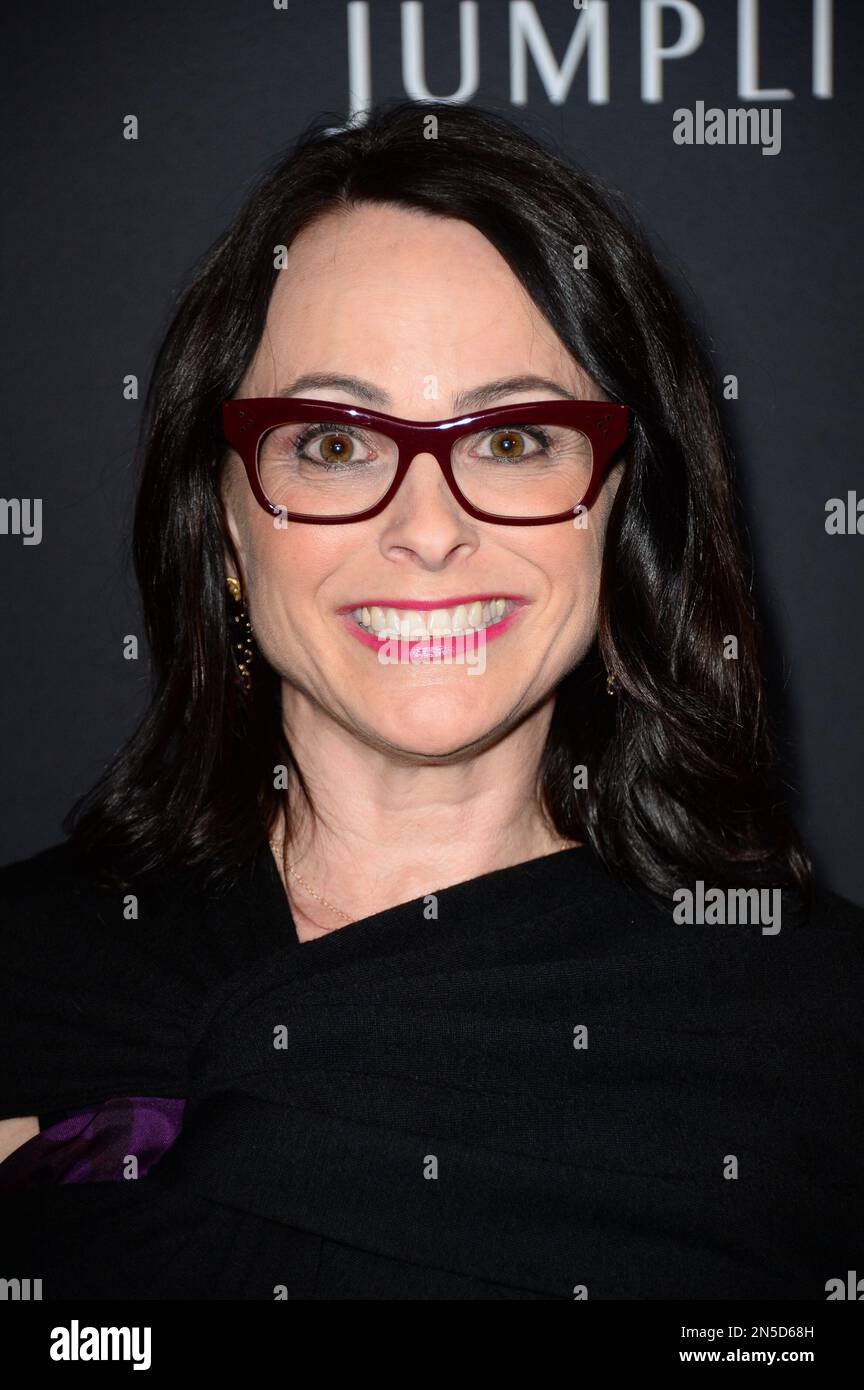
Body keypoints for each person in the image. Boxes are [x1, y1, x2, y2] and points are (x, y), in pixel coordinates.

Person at [1, 100, 861, 1301]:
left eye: (513, 440)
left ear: (621, 514)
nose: (429, 529)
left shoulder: (818, 1025)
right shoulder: (25, 971)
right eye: (334, 443)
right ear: (228, 522)